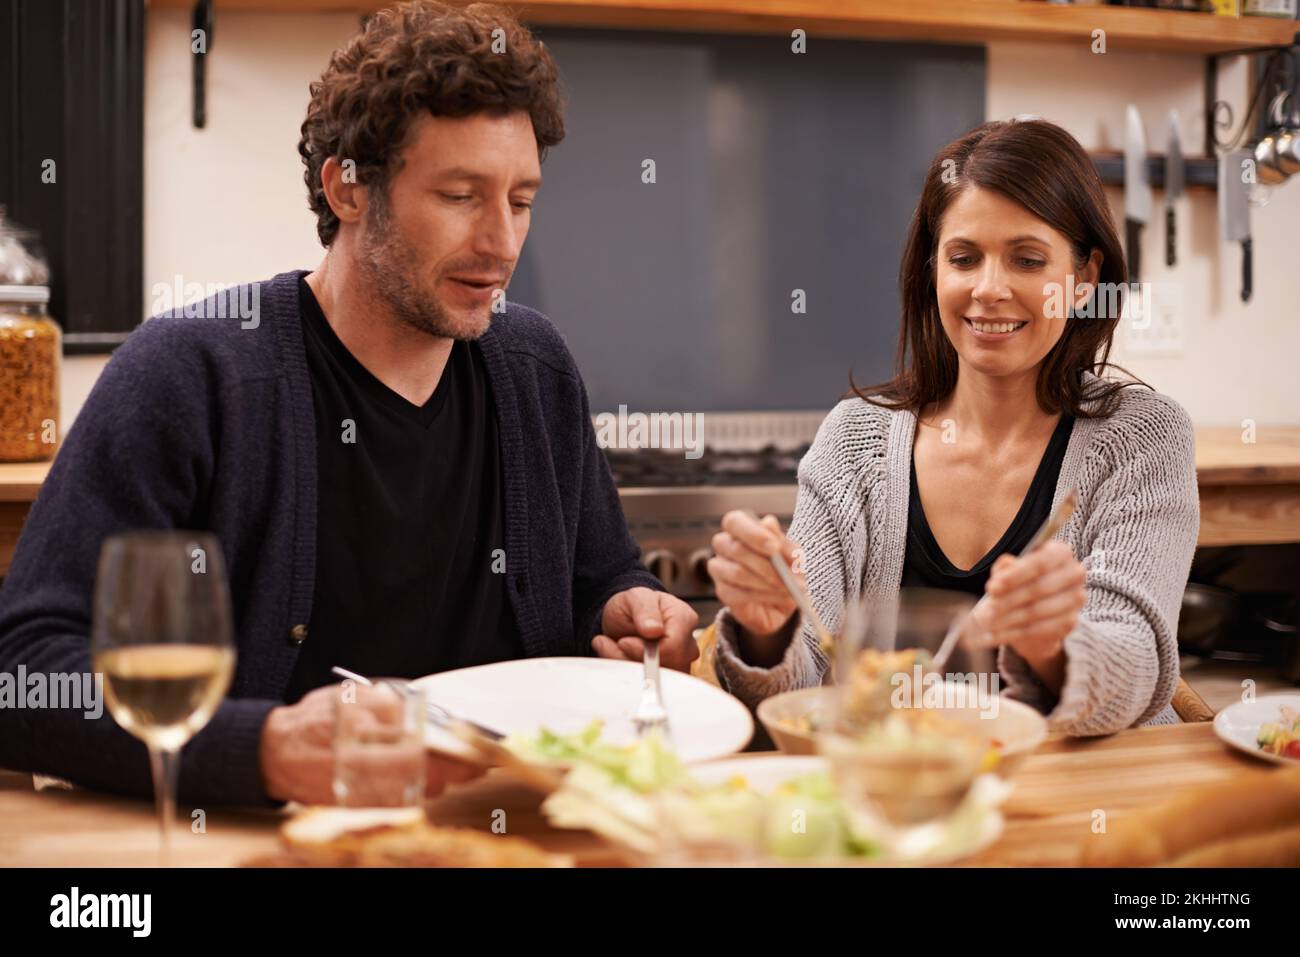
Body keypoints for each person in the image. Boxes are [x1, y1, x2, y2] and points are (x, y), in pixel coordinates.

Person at [0, 0, 698, 807]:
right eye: (462, 195)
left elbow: (595, 584)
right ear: (348, 188)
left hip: (500, 838)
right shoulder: (191, 373)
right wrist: (264, 748)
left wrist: (627, 613)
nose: (503, 243)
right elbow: (24, 670)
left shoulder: (533, 365)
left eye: (521, 200)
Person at [707, 118, 1199, 735]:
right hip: (902, 798)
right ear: (933, 272)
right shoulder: (853, 439)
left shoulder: (1144, 438)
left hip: (1079, 807)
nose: (989, 289)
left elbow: (1138, 669)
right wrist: (766, 628)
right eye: (964, 258)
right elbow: (801, 684)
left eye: (1026, 259)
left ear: (1083, 281)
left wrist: (1050, 648)